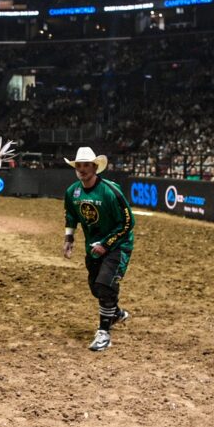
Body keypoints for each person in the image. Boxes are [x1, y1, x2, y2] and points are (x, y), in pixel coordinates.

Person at [62, 146, 135, 352]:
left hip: (118, 245)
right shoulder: (72, 192)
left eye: (86, 165)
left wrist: (106, 244)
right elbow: (71, 215)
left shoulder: (111, 192)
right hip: (93, 247)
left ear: (95, 167)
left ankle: (104, 333)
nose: (82, 169)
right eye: (79, 165)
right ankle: (115, 313)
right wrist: (69, 237)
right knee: (97, 288)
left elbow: (128, 223)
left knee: (104, 284)